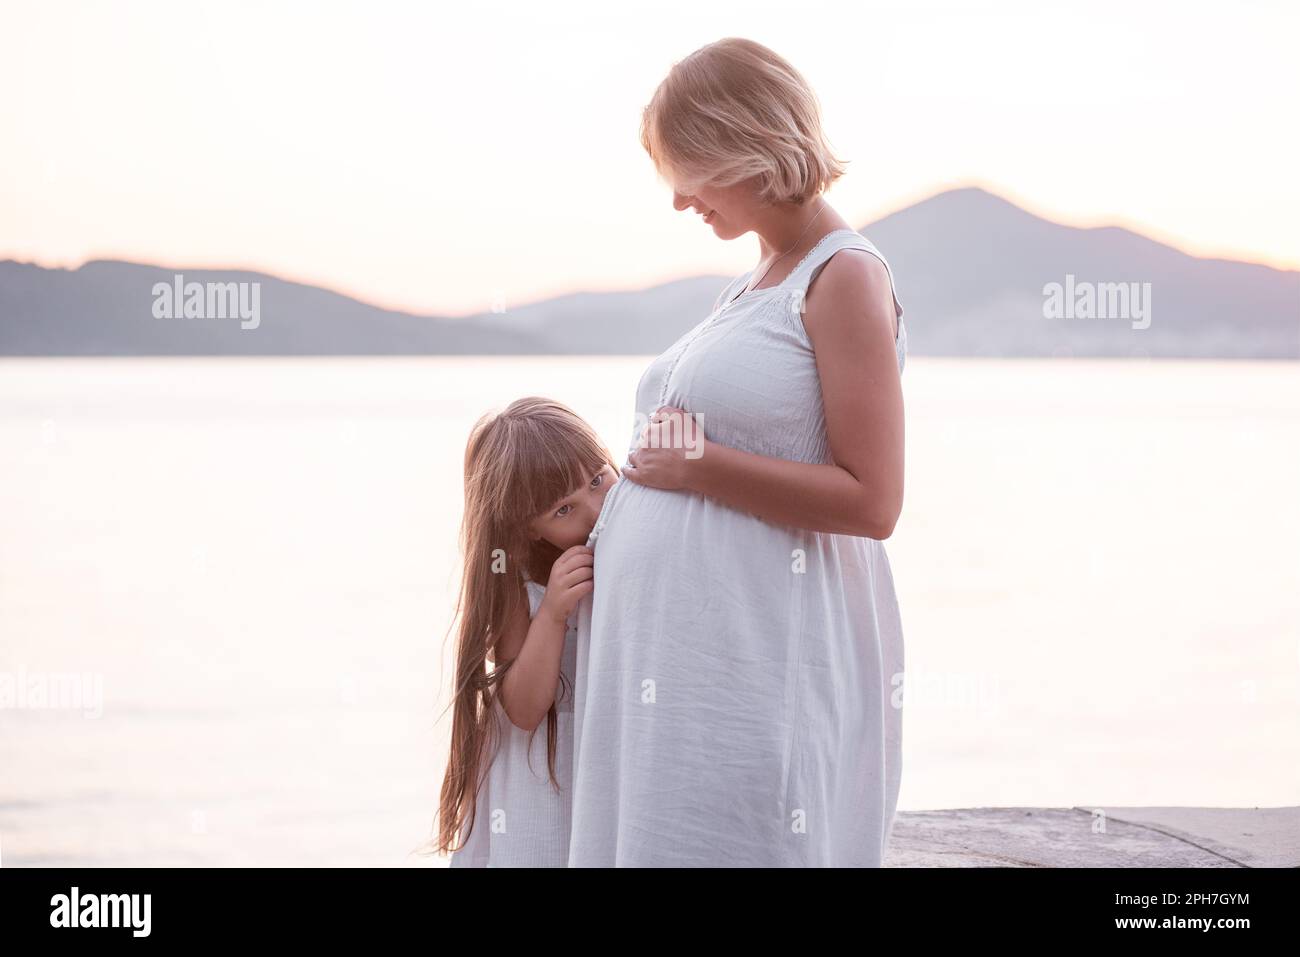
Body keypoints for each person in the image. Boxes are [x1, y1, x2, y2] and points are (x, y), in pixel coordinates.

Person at [567, 37, 908, 866]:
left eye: (689, 170)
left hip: (763, 664)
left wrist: (700, 470)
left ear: (745, 146)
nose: (682, 200)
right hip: (684, 678)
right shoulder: (756, 279)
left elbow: (874, 502)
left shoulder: (844, 278)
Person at [435, 397, 618, 866]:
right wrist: (554, 611)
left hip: (604, 774)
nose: (595, 511)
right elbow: (523, 709)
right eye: (564, 510)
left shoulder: (630, 536)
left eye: (598, 480)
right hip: (542, 784)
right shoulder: (518, 580)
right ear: (527, 531)